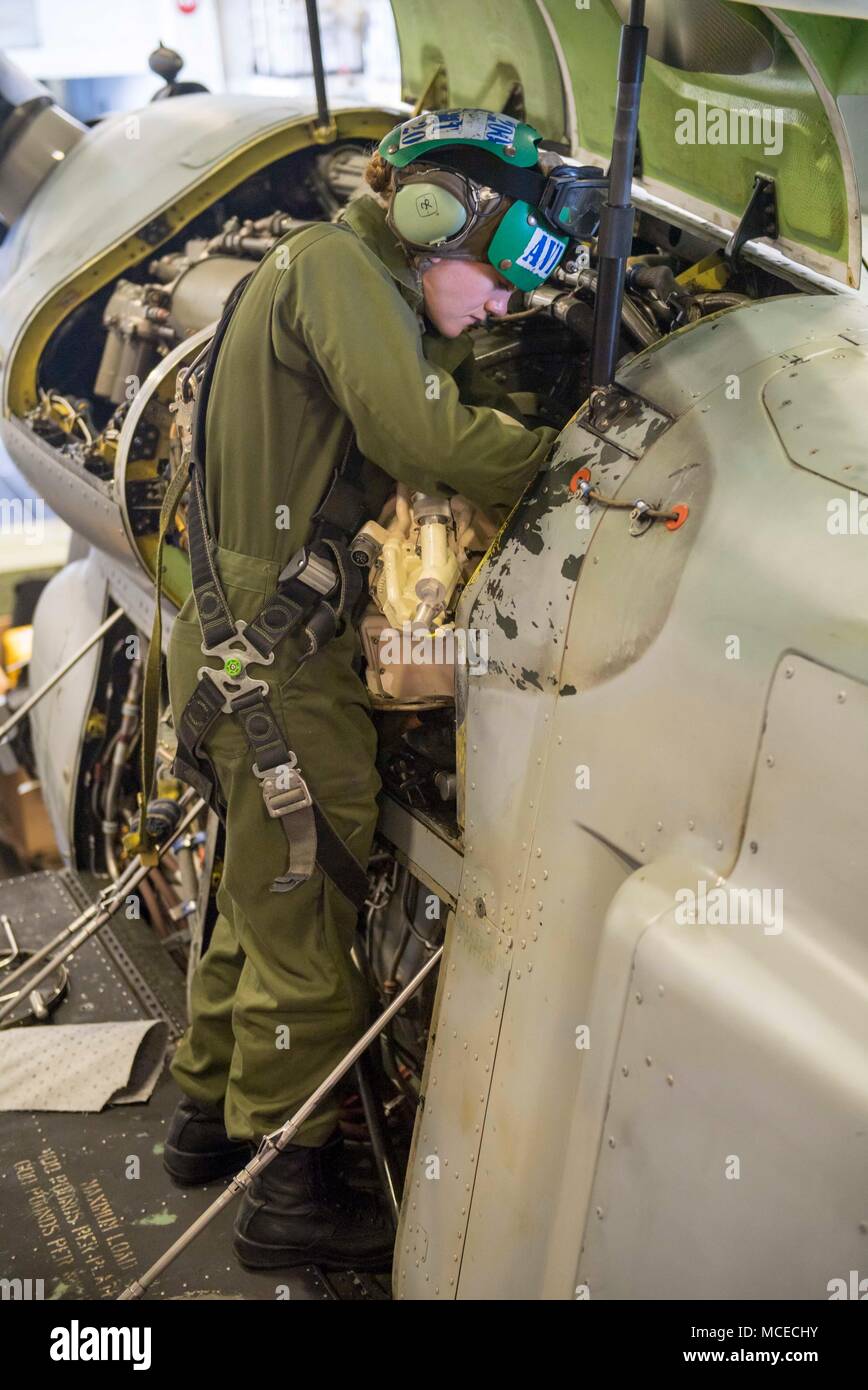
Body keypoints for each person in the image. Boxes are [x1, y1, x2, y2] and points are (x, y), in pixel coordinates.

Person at [162, 108, 569, 1272]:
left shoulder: (320, 267)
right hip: (284, 664)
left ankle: (209, 1118)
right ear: (434, 222)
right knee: (311, 900)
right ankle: (288, 1190)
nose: (498, 308)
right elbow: (422, 434)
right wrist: (562, 451)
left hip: (240, 638)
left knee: (253, 895)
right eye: (491, 283)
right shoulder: (343, 274)